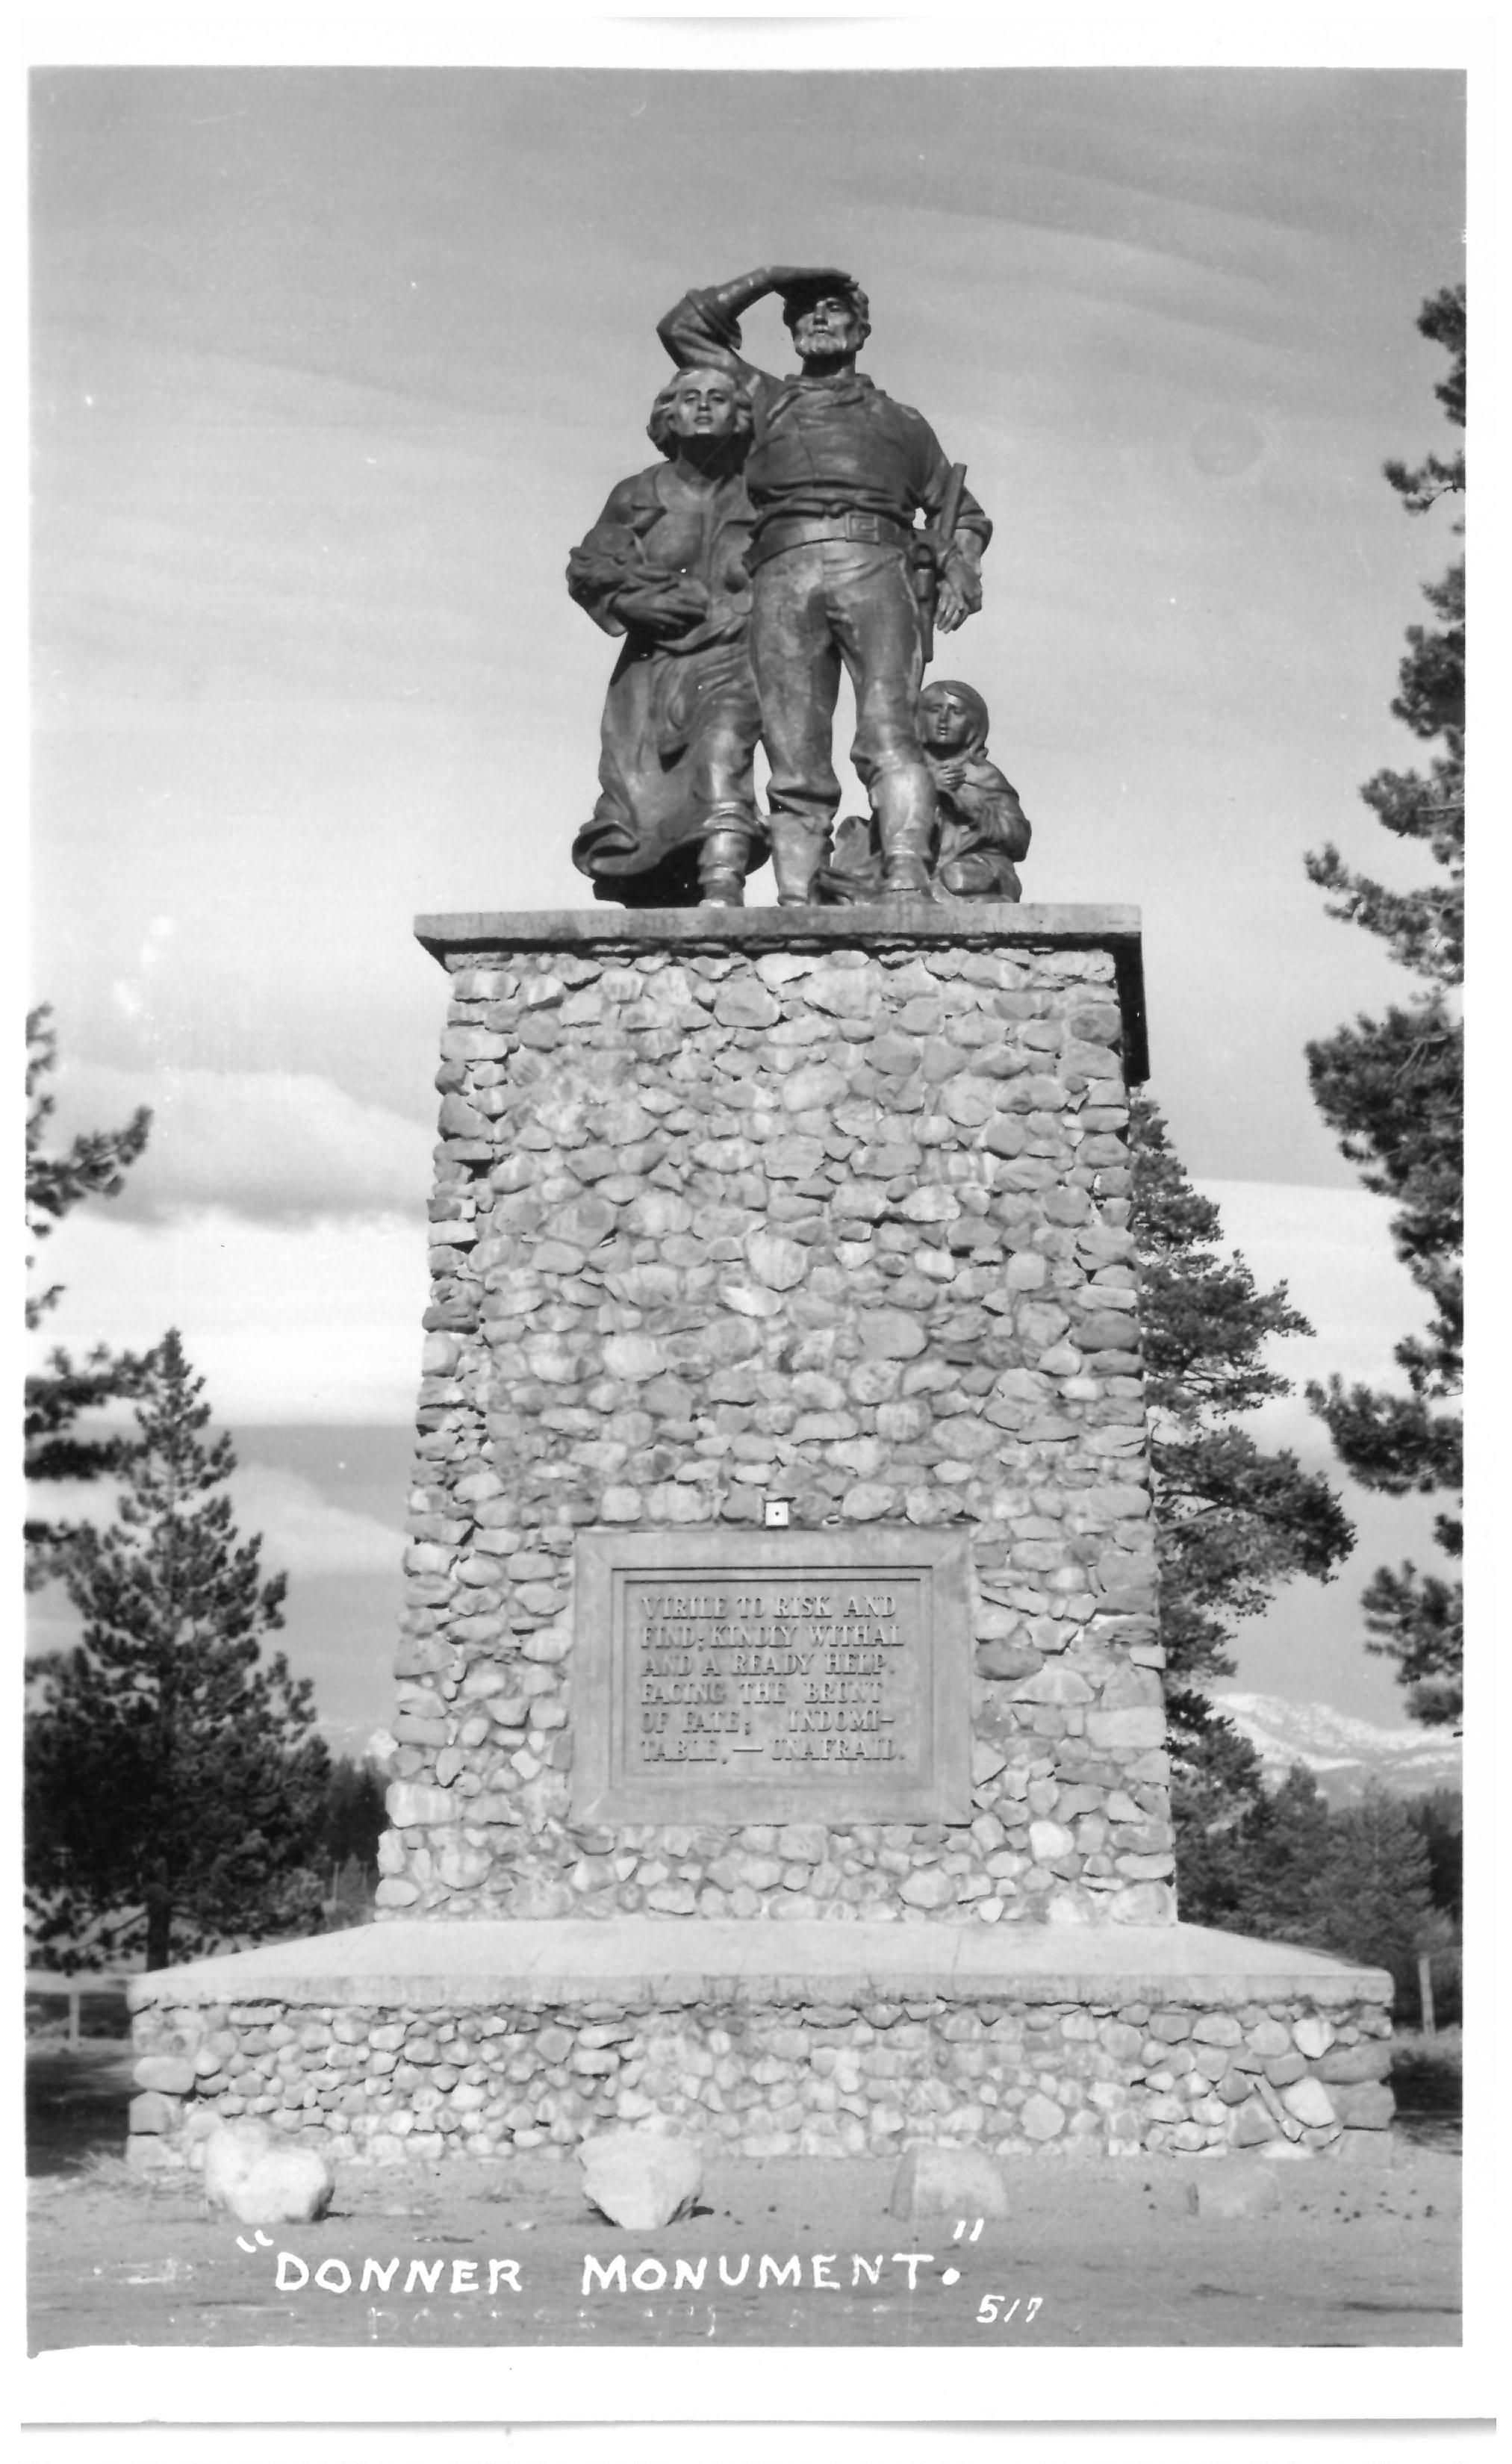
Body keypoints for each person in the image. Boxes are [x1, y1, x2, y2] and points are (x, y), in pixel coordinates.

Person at [657, 264, 991, 901]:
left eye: (833, 308)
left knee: (889, 734)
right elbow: (682, 330)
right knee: (792, 750)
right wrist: (771, 277)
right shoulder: (764, 400)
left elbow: (965, 515)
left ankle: (904, 873)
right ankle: (797, 897)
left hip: (877, 566)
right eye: (804, 310)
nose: (817, 317)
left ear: (860, 329)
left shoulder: (903, 423)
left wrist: (961, 564)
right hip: (783, 570)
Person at [567, 362, 765, 906]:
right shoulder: (636, 494)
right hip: (650, 670)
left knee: (723, 747)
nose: (702, 407)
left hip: (732, 655)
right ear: (669, 416)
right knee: (639, 796)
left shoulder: (762, 494)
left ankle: (722, 877)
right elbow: (588, 570)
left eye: (718, 398)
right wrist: (631, 603)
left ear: (739, 416)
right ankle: (658, 889)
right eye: (689, 397)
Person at [817, 678, 1032, 903]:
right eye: (934, 710)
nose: (943, 720)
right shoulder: (904, 770)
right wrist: (927, 788)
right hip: (906, 867)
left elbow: (1018, 838)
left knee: (962, 877)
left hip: (971, 862)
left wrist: (965, 806)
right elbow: (888, 825)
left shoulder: (983, 775)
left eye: (956, 712)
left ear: (973, 724)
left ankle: (939, 890)